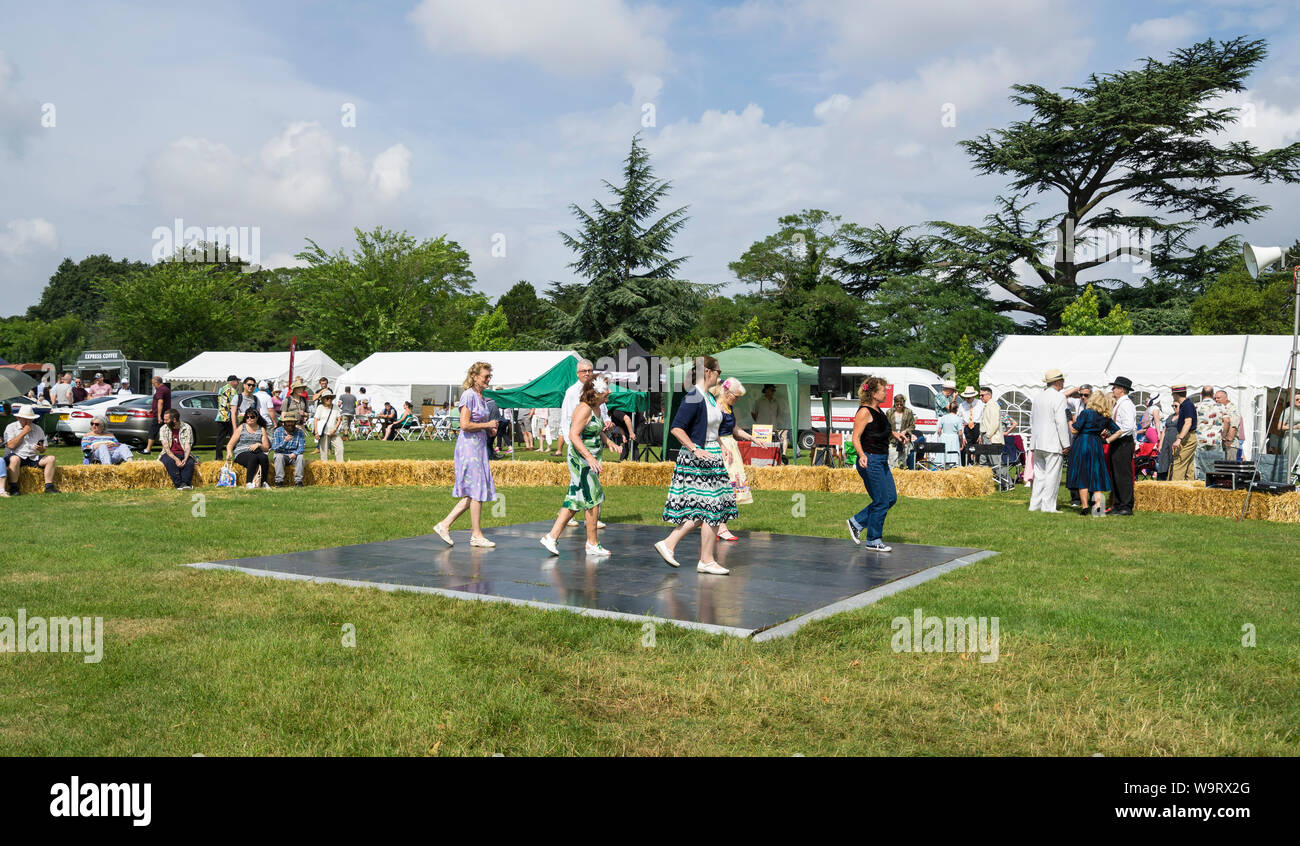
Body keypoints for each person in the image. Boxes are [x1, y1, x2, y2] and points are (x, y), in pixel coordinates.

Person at [654, 355, 736, 575]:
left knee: (710, 509)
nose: (720, 376)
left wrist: (722, 446)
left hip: (711, 455)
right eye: (718, 372)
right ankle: (704, 559)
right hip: (698, 459)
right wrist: (694, 448)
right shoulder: (693, 396)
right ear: (707, 372)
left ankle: (673, 545)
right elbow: (676, 428)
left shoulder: (709, 397)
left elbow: (711, 429)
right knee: (711, 506)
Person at [540, 378, 612, 557]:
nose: (609, 392)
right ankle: (592, 543)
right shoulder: (584, 409)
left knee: (575, 498)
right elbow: (573, 435)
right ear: (596, 392)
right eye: (606, 389)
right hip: (581, 460)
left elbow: (596, 430)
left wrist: (609, 442)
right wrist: (589, 457)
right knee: (593, 498)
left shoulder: (596, 409)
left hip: (590, 459)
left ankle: (551, 537)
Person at [433, 362, 499, 548]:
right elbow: (464, 424)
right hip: (469, 448)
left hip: (478, 447)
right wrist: (487, 425)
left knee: (474, 491)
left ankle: (444, 525)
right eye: (485, 376)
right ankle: (476, 535)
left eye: (489, 376)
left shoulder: (481, 397)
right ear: (475, 377)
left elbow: (477, 423)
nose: (488, 379)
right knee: (476, 490)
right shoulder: (468, 395)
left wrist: (489, 430)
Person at [845, 376, 897, 552]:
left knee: (890, 498)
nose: (886, 393)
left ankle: (857, 522)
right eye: (883, 390)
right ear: (874, 394)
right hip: (870, 460)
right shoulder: (864, 412)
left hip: (882, 460)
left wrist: (895, 434)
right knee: (881, 501)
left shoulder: (879, 411)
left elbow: (880, 430)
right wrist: (861, 455)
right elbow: (855, 437)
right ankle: (873, 540)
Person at [562, 360, 612, 527]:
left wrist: (607, 435)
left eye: (590, 370)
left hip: (594, 448)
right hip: (581, 449)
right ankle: (590, 526)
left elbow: (601, 415)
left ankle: (554, 534)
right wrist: (572, 443)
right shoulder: (572, 393)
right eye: (584, 371)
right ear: (577, 373)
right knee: (589, 489)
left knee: (581, 488)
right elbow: (568, 419)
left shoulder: (598, 396)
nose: (587, 373)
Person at [712, 377, 755, 541]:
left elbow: (734, 429)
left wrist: (752, 438)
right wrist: (722, 447)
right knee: (724, 486)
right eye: (736, 396)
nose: (737, 400)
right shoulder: (717, 407)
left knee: (730, 487)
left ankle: (716, 524)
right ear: (726, 392)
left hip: (731, 446)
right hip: (721, 446)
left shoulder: (728, 407)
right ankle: (720, 526)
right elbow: (712, 431)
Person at [1028, 368, 1070, 513]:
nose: (1064, 382)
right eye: (1062, 380)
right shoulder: (1059, 397)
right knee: (1052, 476)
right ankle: (1048, 506)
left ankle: (1035, 505)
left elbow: (1033, 420)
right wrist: (1066, 444)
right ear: (1057, 382)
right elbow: (1061, 422)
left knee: (1039, 476)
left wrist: (1033, 442)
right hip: (1052, 442)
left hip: (1038, 442)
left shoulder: (1038, 397)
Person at [1067, 390, 1116, 514]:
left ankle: (1084, 507)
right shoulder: (1105, 416)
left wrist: (1069, 420)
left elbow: (1074, 430)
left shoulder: (1086, 413)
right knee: (1096, 474)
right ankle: (1098, 506)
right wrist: (1107, 440)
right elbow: (1118, 431)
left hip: (1083, 444)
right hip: (1096, 444)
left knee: (1082, 474)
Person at [3, 405, 58, 495]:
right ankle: (14, 488)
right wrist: (24, 432)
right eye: (25, 419)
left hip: (32, 457)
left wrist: (41, 448)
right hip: (15, 455)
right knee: (15, 459)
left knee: (51, 459)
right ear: (18, 418)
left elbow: (43, 449)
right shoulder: (11, 427)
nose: (28, 422)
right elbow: (11, 446)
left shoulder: (38, 428)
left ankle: (49, 487)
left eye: (30, 419)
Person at [1105, 376, 1137, 515]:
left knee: (1123, 474)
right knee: (1116, 473)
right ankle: (1118, 504)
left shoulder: (1126, 405)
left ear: (1121, 390)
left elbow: (1128, 426)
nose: (1113, 390)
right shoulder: (1120, 403)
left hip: (1123, 442)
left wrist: (1114, 435)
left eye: (1115, 387)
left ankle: (1126, 505)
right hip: (1118, 440)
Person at [227, 407, 271, 489]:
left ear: (257, 418)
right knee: (253, 457)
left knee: (264, 457)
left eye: (252, 417)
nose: (249, 419)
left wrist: (259, 444)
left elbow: (266, 448)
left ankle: (264, 482)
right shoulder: (242, 427)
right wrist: (229, 452)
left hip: (257, 452)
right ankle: (249, 482)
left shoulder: (261, 429)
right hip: (241, 452)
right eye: (247, 417)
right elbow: (230, 444)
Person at [158, 407, 196, 490]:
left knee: (189, 462)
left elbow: (187, 445)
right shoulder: (163, 429)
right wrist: (176, 459)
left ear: (174, 420)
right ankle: (179, 484)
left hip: (183, 452)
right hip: (169, 454)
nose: (164, 421)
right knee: (169, 462)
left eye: (166, 420)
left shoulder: (187, 427)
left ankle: (186, 484)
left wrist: (185, 459)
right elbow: (166, 448)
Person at [751, 383, 790, 462]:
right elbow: (753, 413)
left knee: (772, 447)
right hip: (761, 430)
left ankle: (772, 461)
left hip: (773, 428)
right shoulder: (758, 401)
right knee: (761, 447)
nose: (773, 392)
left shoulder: (776, 402)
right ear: (766, 390)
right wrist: (760, 422)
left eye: (773, 390)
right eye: (771, 390)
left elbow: (777, 413)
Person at [1167, 385, 1197, 482]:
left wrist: (1179, 439)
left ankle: (1175, 488)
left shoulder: (1187, 405)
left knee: (1178, 464)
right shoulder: (1186, 405)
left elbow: (1188, 423)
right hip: (1187, 437)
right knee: (1188, 467)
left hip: (1187, 438)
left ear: (1175, 394)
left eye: (1172, 394)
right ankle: (1189, 487)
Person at [272, 410, 307, 487]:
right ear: (284, 423)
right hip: (282, 455)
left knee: (301, 457)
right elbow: (275, 448)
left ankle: (298, 481)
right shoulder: (278, 431)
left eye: (292, 422)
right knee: (278, 456)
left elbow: (302, 447)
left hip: (294, 456)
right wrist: (285, 441)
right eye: (288, 422)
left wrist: (295, 453)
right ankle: (279, 481)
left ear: (295, 423)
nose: (290, 424)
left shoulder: (300, 432)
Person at [141, 376, 171, 456]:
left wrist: (159, 416)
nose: (153, 385)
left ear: (157, 382)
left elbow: (160, 402)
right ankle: (165, 449)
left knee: (153, 432)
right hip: (164, 414)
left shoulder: (160, 390)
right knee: (164, 432)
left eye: (153, 383)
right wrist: (153, 409)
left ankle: (148, 449)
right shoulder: (165, 389)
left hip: (160, 415)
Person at [884, 394, 916, 469]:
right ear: (894, 403)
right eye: (897, 404)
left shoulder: (909, 412)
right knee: (892, 461)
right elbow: (886, 427)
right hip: (892, 440)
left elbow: (912, 426)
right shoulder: (889, 412)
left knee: (903, 462)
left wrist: (906, 431)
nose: (899, 406)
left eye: (901, 404)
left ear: (904, 403)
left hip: (904, 440)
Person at [313, 390, 345, 461]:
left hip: (334, 432)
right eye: (327, 398)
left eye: (330, 398)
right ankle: (325, 465)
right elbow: (316, 420)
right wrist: (316, 432)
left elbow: (339, 419)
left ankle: (340, 465)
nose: (329, 399)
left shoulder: (335, 407)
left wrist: (334, 429)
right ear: (323, 399)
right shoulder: (320, 407)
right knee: (324, 452)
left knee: (340, 448)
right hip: (324, 432)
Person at [215, 374, 240, 460]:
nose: (238, 383)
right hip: (229, 417)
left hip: (220, 416)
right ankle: (237, 455)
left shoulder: (221, 389)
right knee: (234, 436)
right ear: (233, 382)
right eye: (237, 381)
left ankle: (218, 457)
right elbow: (234, 404)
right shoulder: (232, 390)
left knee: (220, 438)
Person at [957, 386, 982, 465]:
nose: (967, 399)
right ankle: (965, 465)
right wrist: (963, 436)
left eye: (969, 397)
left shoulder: (980, 403)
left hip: (977, 427)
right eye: (966, 397)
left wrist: (981, 435)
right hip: (967, 428)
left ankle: (976, 464)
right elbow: (959, 419)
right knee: (966, 447)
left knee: (978, 448)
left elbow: (983, 418)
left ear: (973, 396)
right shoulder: (962, 405)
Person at [1215, 390, 1241, 461]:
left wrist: (1229, 440)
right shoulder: (1221, 408)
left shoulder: (1232, 409)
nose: (1216, 400)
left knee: (1229, 465)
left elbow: (1233, 427)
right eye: (1215, 398)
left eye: (1218, 398)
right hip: (1221, 443)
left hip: (1230, 444)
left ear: (1226, 398)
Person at [937, 400, 962, 467]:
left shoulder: (943, 417)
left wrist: (940, 438)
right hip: (953, 438)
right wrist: (961, 442)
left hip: (944, 437)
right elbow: (960, 433)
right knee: (953, 454)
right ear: (957, 409)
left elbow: (939, 431)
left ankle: (942, 465)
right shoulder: (958, 419)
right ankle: (953, 465)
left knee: (944, 454)